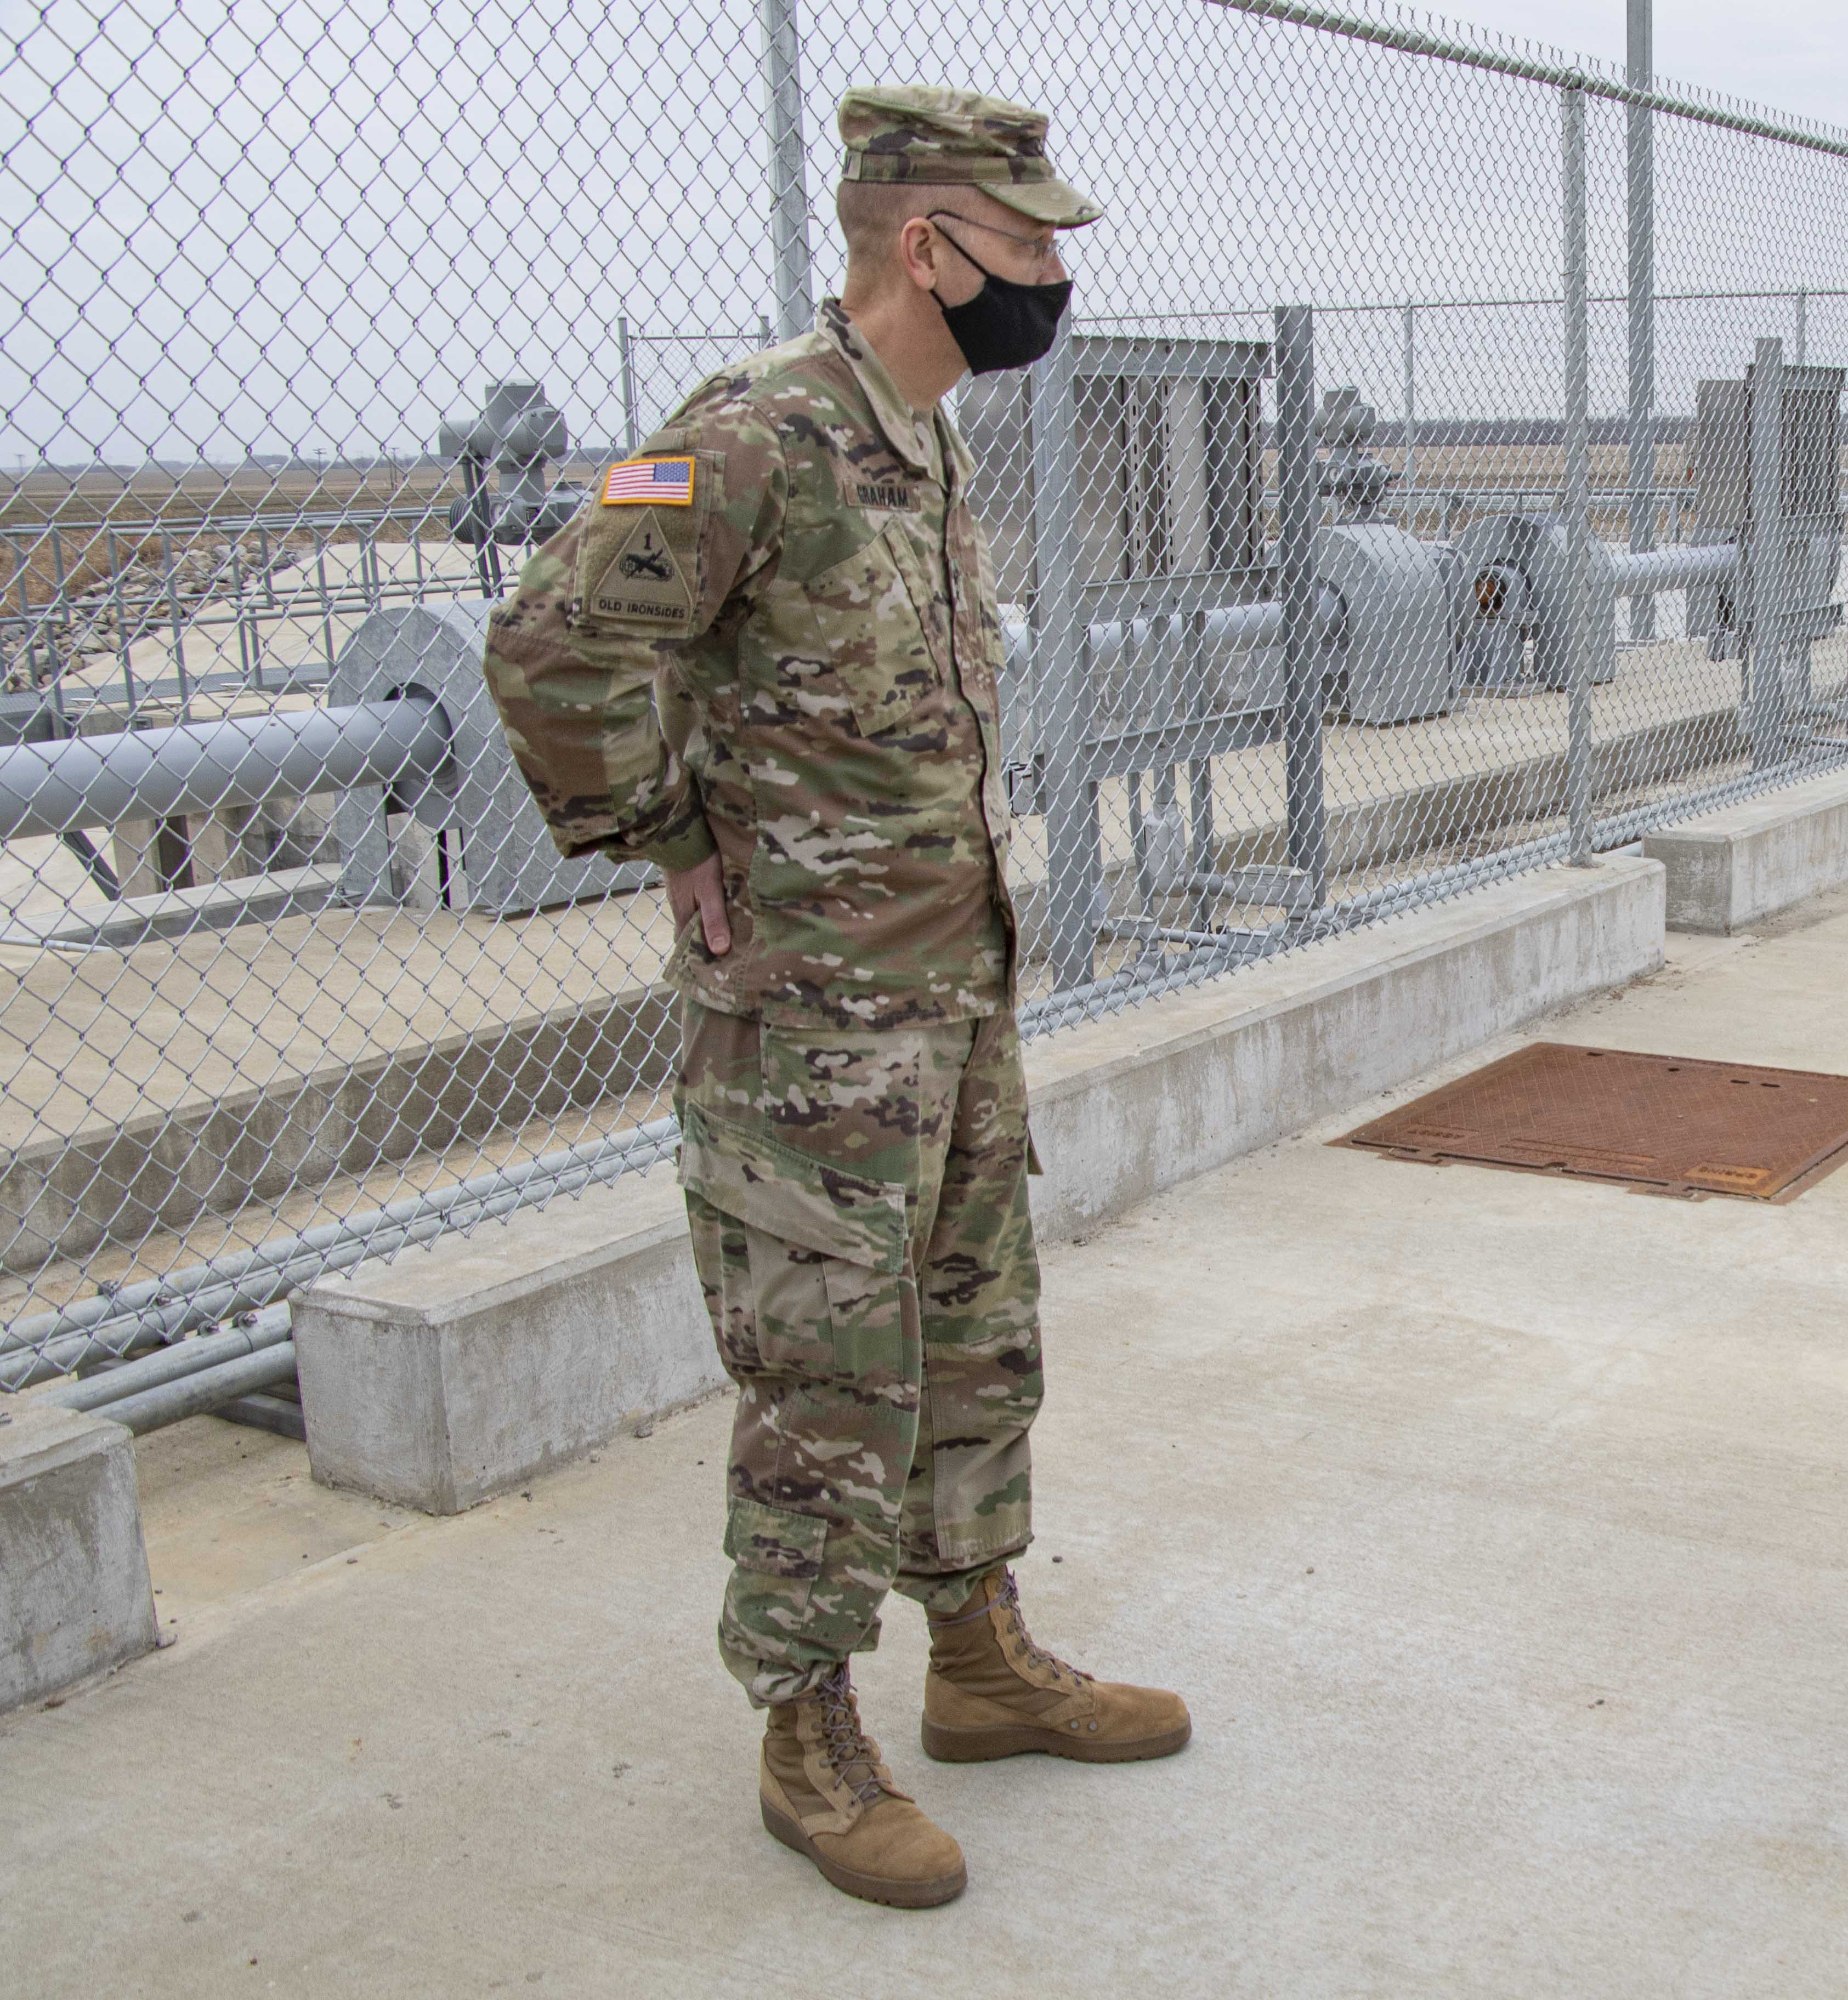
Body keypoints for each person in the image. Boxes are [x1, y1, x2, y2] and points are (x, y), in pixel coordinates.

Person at [481, 84, 1187, 1907]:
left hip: (949, 1001)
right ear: (924, 244)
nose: (1050, 273)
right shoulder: (751, 436)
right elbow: (554, 644)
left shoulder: (921, 438)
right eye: (1025, 242)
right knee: (823, 1381)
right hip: (806, 1029)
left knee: (970, 1339)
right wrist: (665, 836)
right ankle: (806, 1732)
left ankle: (980, 1662)